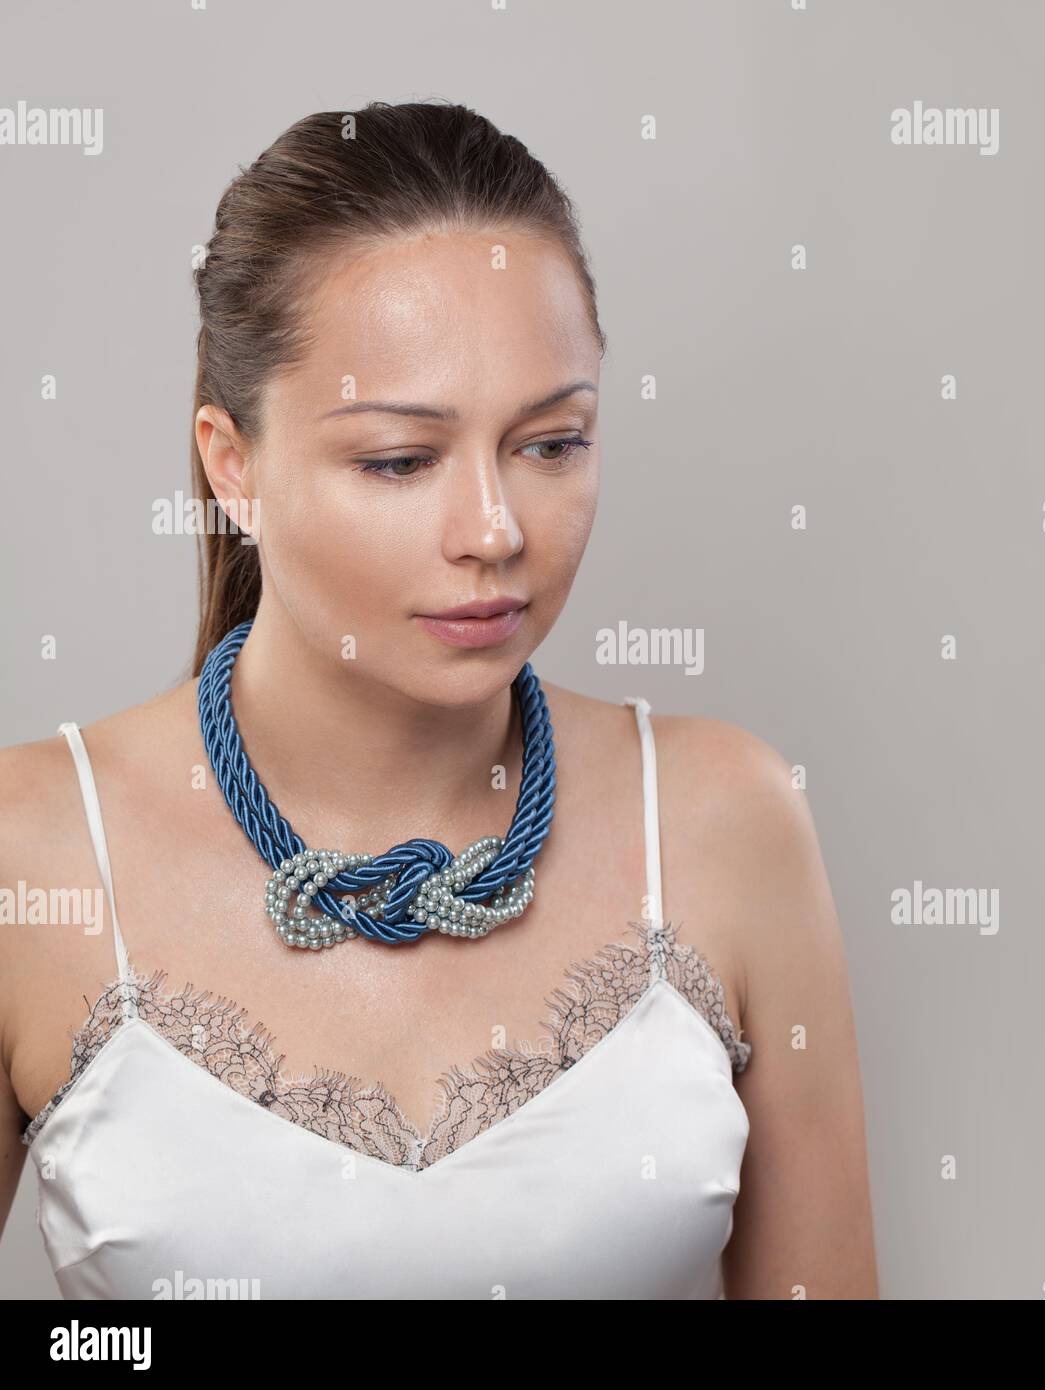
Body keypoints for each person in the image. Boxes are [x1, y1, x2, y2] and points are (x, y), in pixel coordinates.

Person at [0, 99, 876, 1299]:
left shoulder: (731, 817)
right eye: (400, 461)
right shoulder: (30, 848)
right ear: (232, 465)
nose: (494, 530)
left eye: (552, 443)